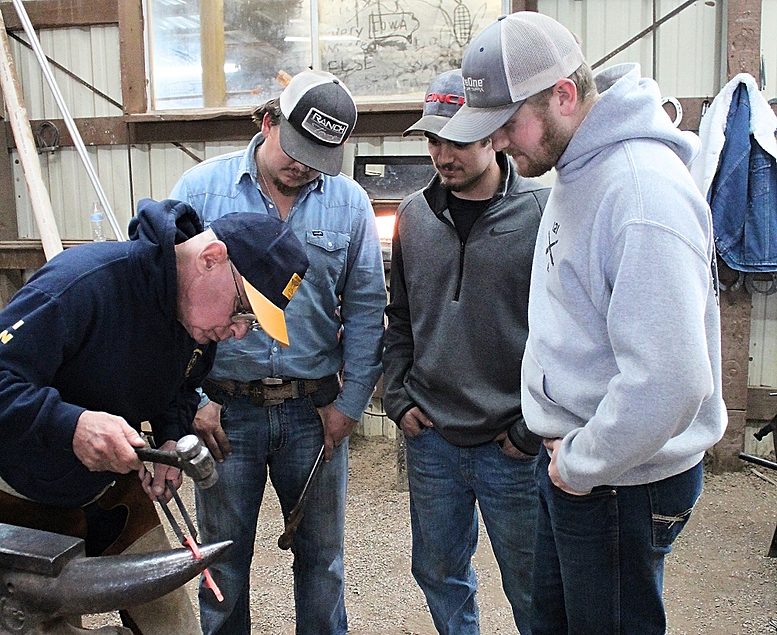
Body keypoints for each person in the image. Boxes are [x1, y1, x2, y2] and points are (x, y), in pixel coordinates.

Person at [439, 11, 728, 634]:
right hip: (581, 466)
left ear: (564, 95)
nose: (497, 144)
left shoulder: (640, 193)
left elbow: (672, 380)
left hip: (618, 480)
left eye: (506, 125)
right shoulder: (576, 169)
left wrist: (580, 464)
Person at [0, 198, 309, 634]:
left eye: (253, 323)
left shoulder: (198, 321)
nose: (239, 331)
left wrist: (169, 435)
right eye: (243, 310)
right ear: (210, 259)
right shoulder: (82, 284)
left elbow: (181, 385)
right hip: (22, 496)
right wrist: (71, 424)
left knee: (175, 627)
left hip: (110, 491)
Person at [170, 69, 386, 635]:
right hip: (223, 413)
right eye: (295, 148)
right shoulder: (199, 192)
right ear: (268, 121)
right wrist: (191, 398)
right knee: (222, 559)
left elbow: (366, 307)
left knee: (322, 562)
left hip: (312, 411)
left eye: (319, 155)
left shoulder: (349, 204)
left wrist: (351, 404)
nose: (302, 164)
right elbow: (164, 309)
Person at [382, 68, 548, 634]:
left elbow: (566, 333)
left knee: (532, 581)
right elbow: (400, 318)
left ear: (494, 135)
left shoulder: (542, 216)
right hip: (433, 441)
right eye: (433, 139)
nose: (441, 154)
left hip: (513, 446)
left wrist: (531, 428)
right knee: (436, 570)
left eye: (456, 139)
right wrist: (398, 398)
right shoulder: (412, 217)